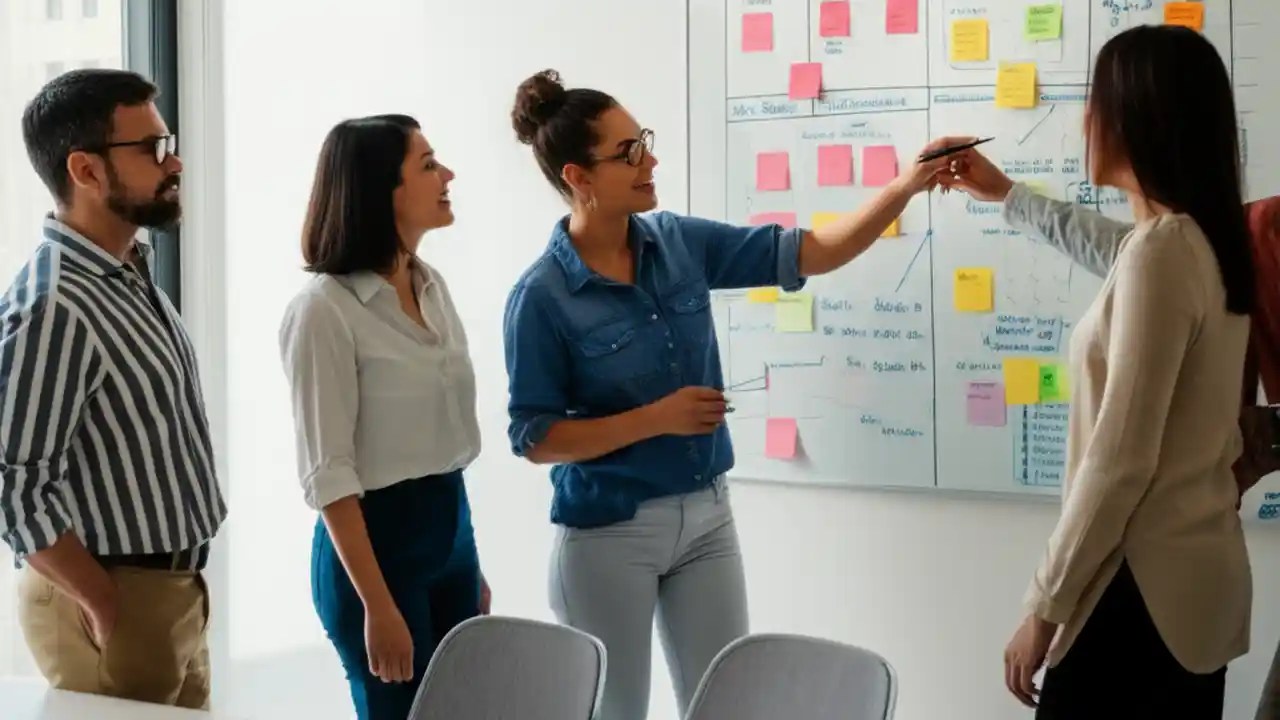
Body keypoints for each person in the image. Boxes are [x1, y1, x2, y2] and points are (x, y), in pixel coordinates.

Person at [501, 69, 952, 720]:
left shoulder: (679, 242)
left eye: (644, 141)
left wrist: (906, 185)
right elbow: (537, 440)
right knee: (616, 712)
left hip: (708, 519)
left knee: (731, 706)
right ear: (578, 177)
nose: (649, 160)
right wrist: (656, 418)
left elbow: (815, 251)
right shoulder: (540, 297)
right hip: (608, 536)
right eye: (628, 152)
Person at [937, 25, 1253, 719]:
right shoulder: (1202, 242)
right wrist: (1008, 196)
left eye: (1096, 99)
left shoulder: (1165, 255)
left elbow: (1119, 461)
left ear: (1140, 116)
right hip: (1196, 590)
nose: (1085, 117)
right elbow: (1113, 247)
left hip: (1140, 596)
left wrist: (1043, 606)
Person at [0, 69, 225, 707]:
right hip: (113, 596)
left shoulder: (126, 273)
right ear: (87, 171)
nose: (173, 160)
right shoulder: (56, 304)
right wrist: (104, 602)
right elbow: (11, 483)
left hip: (171, 595)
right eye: (152, 149)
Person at [278, 114, 490, 720]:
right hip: (374, 546)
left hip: (450, 523)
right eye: (427, 165)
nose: (447, 175)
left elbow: (443, 445)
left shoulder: (431, 287)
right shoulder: (324, 311)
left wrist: (467, 557)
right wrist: (377, 603)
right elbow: (329, 474)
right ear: (380, 191)